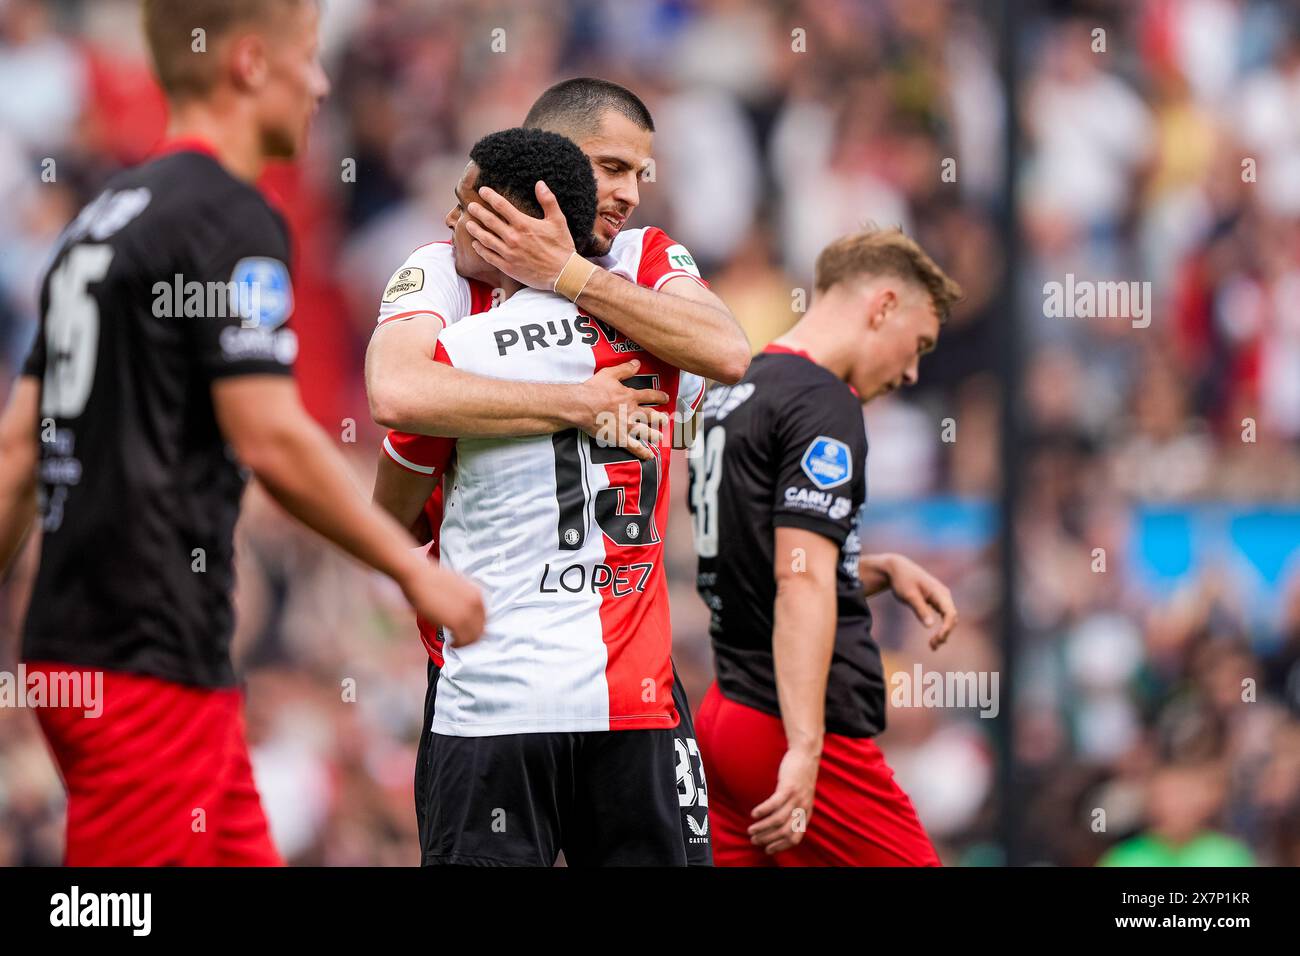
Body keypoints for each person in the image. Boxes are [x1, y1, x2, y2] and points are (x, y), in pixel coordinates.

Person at [0, 0, 482, 867]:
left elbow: (17, 453)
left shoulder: (100, 223)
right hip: (141, 664)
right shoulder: (230, 219)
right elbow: (270, 435)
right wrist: (412, 568)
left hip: (126, 659)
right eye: (308, 57)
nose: (322, 82)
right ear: (252, 63)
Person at [366, 78, 746, 865]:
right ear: (552, 162)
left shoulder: (635, 260)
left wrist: (569, 272)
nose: (631, 194)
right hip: (536, 678)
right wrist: (575, 403)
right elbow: (395, 392)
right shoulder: (442, 271)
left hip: (537, 691)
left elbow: (728, 353)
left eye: (643, 173)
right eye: (611, 168)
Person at [687, 227, 961, 866]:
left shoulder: (740, 388)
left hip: (727, 718)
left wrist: (876, 569)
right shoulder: (822, 402)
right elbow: (799, 581)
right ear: (883, 304)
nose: (913, 371)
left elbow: (758, 562)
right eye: (917, 345)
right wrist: (805, 749)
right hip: (795, 725)